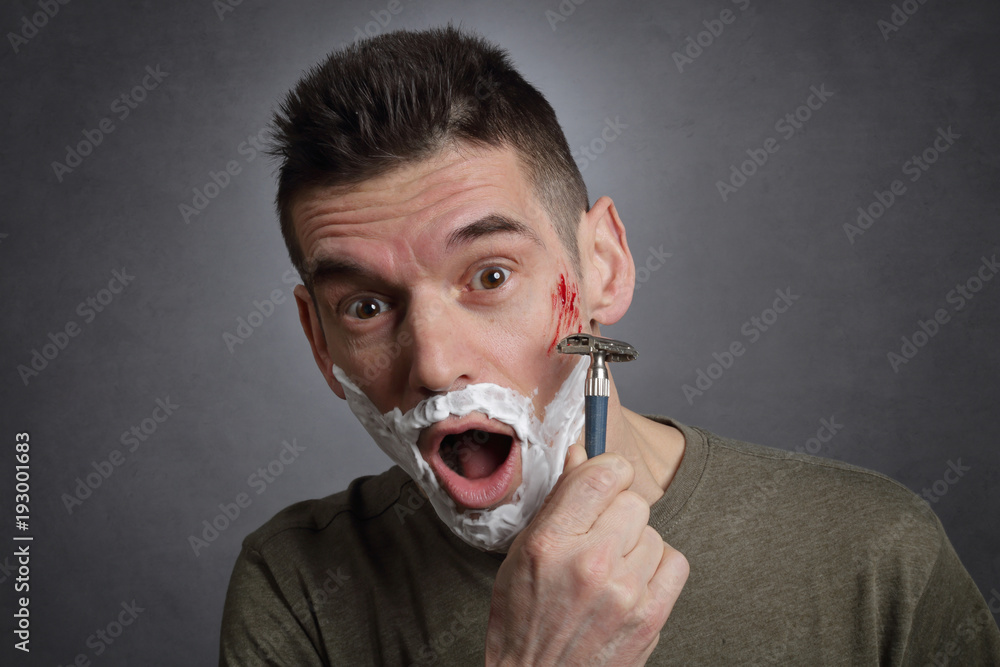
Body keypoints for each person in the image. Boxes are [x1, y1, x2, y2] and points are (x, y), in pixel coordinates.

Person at [219, 26, 1000, 665]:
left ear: (604, 265)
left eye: (490, 275)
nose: (432, 362)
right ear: (320, 344)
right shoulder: (297, 585)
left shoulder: (873, 552)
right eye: (363, 305)